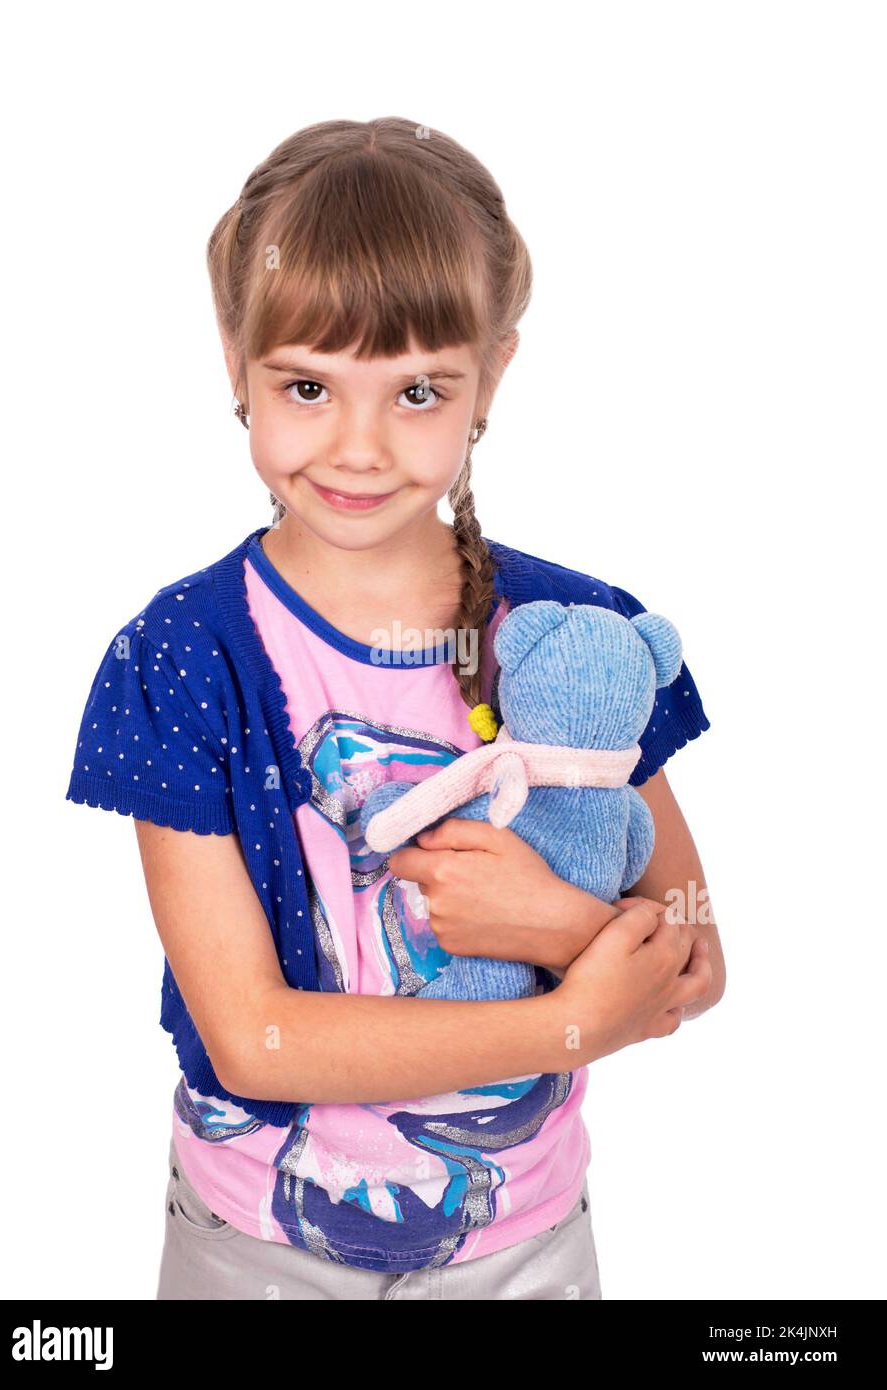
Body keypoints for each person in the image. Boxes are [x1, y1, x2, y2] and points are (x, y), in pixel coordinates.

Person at [65, 117, 722, 1301]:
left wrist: (551, 921)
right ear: (234, 361)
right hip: (253, 1243)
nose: (359, 447)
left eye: (417, 389)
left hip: (525, 1240)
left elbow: (692, 952)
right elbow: (253, 1039)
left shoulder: (585, 639)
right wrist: (574, 1019)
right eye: (307, 385)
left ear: (494, 373)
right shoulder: (182, 656)